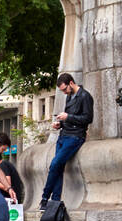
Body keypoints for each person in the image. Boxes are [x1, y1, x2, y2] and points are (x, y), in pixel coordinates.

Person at [39, 73, 94, 212]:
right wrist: (61, 124)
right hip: (64, 135)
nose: (64, 93)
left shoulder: (85, 96)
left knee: (55, 164)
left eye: (65, 89)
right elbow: (70, 119)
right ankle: (55, 202)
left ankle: (45, 198)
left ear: (71, 83)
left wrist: (68, 116)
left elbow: (88, 118)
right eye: (62, 91)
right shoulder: (70, 96)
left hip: (76, 136)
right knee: (58, 167)